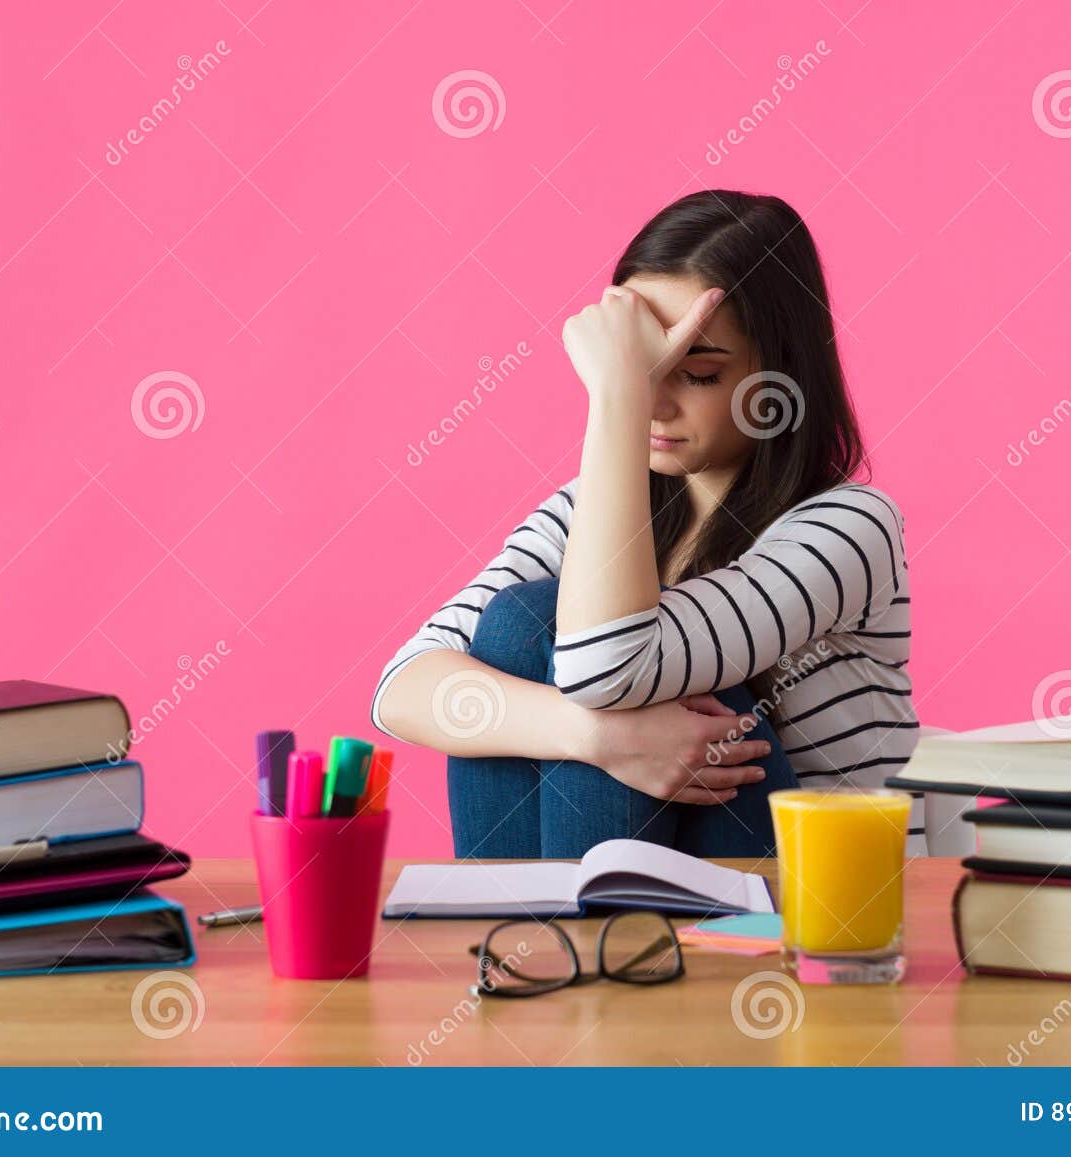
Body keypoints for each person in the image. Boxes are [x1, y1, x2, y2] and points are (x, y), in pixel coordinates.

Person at [371, 189, 933, 859]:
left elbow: (605, 669)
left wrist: (616, 394)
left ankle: (578, 952)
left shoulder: (851, 526)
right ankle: (542, 946)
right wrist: (599, 740)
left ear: (780, 373)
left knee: (557, 623)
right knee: (518, 627)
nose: (656, 402)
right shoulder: (593, 508)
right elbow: (404, 686)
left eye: (695, 372)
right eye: (641, 369)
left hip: (814, 900)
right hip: (662, 877)